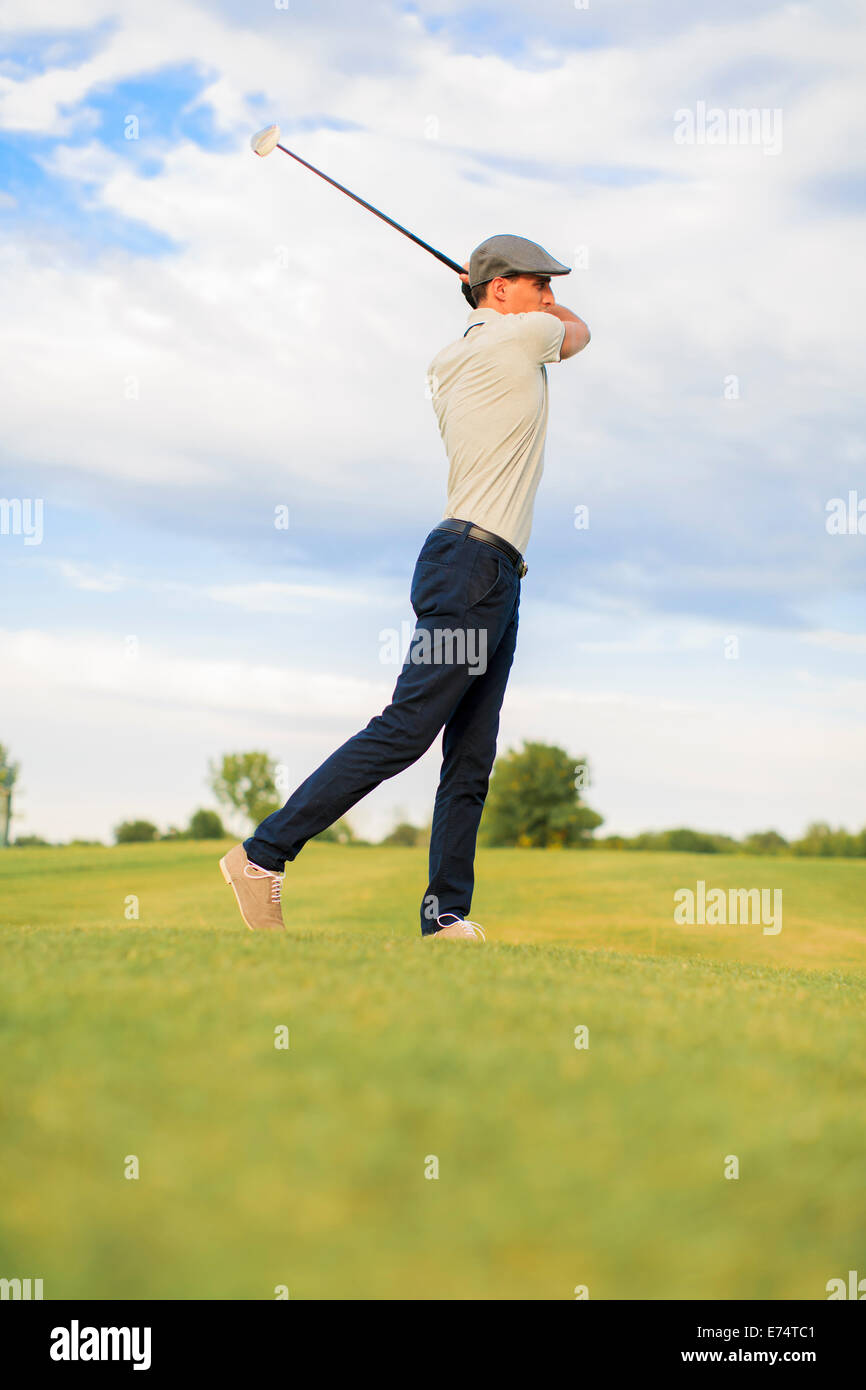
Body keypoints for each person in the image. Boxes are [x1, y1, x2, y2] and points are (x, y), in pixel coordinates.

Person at [220, 234, 590, 941]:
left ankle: (445, 914)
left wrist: (487, 297)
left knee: (470, 755)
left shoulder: (454, 355)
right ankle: (263, 854)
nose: (549, 293)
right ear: (501, 290)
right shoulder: (522, 340)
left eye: (551, 283)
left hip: (490, 570)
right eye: (537, 281)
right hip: (471, 566)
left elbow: (532, 321)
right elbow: (581, 331)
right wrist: (516, 306)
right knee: (408, 729)